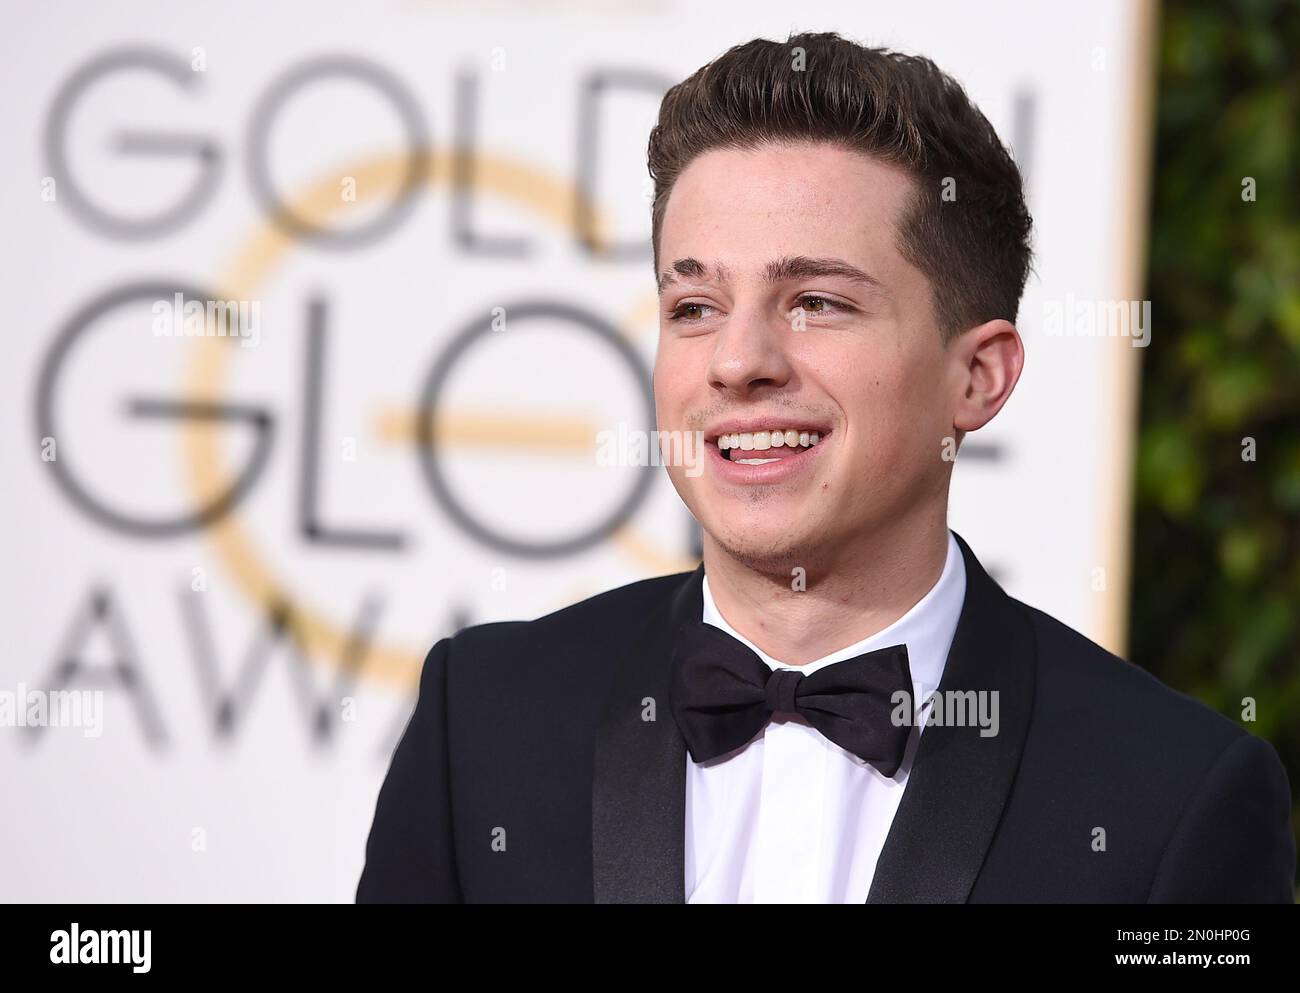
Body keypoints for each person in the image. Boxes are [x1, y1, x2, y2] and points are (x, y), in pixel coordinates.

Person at [356, 31, 1294, 903]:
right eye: (693, 306)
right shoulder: (480, 726)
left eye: (815, 301)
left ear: (977, 376)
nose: (738, 359)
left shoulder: (1174, 798)